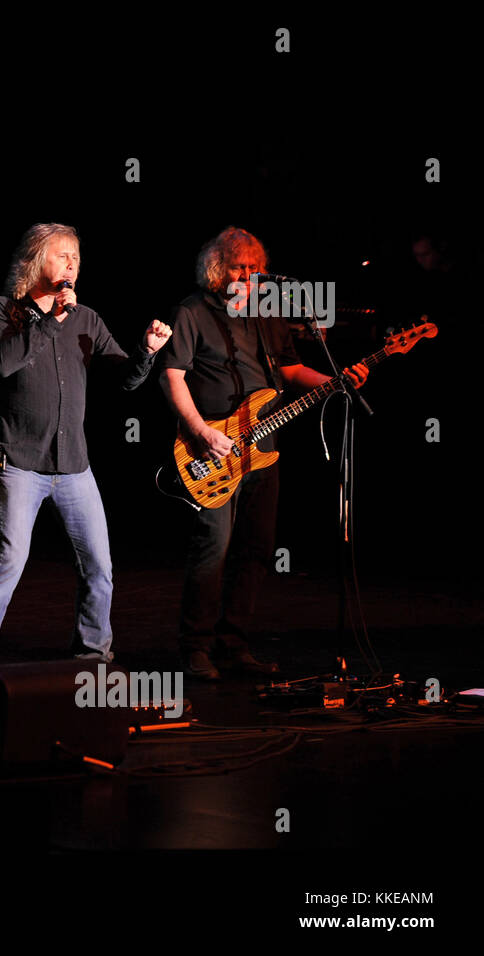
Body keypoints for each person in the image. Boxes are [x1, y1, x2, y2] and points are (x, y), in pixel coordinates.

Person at [0, 223, 172, 678]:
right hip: (19, 462)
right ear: (35, 262)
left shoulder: (87, 318)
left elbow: (126, 378)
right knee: (8, 561)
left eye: (76, 256)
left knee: (100, 564)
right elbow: (4, 363)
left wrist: (146, 352)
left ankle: (93, 654)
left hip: (74, 467)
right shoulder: (2, 311)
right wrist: (49, 320)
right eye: (61, 255)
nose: (71, 264)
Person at [157, 226, 368, 680]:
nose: (249, 276)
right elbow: (171, 375)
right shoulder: (192, 311)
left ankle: (233, 645)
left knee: (256, 548)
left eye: (255, 268)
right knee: (213, 547)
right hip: (211, 446)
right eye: (239, 267)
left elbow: (289, 370)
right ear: (218, 269)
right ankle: (194, 648)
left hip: (264, 448)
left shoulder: (267, 314)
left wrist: (337, 382)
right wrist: (201, 432)